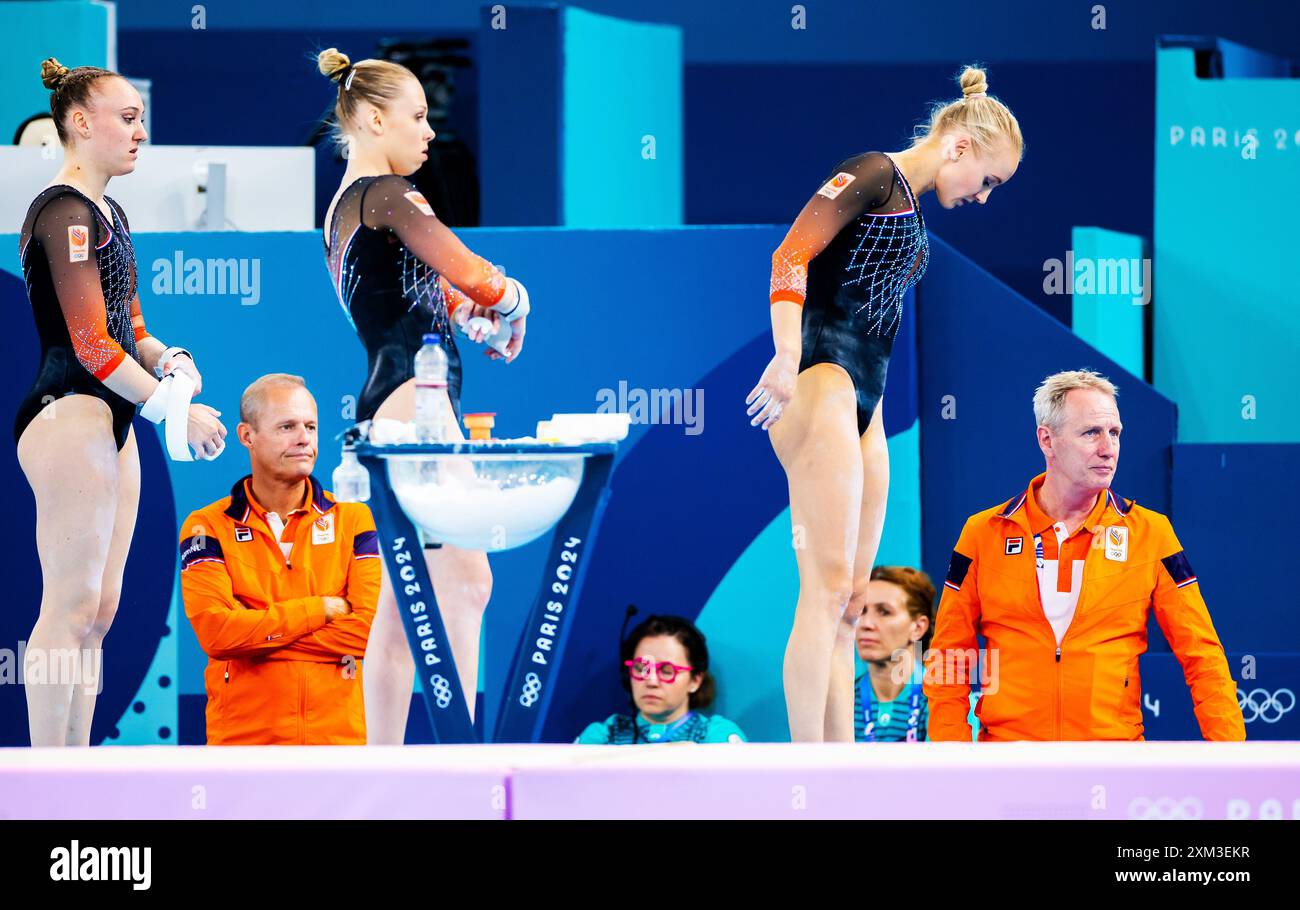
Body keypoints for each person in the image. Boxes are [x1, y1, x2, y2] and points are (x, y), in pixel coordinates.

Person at [747, 64, 1023, 742]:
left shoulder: (910, 202)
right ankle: (804, 774)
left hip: (862, 402)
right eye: (988, 181)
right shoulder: (873, 172)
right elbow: (790, 256)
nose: (984, 198)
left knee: (850, 603)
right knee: (824, 590)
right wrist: (785, 358)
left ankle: (839, 772)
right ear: (959, 146)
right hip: (821, 384)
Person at [316, 48, 531, 741]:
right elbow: (470, 269)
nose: (431, 132)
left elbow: (418, 293)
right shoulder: (388, 194)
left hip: (400, 402)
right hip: (414, 405)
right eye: (418, 116)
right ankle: (460, 758)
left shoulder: (349, 206)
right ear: (376, 119)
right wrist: (512, 300)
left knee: (408, 599)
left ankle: (386, 763)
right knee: (466, 584)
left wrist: (467, 315)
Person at [16, 58, 225, 747]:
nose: (142, 132)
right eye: (128, 119)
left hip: (113, 417)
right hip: (67, 409)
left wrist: (171, 360)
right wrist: (174, 407)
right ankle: (46, 779)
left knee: (100, 609)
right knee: (69, 603)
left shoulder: (111, 211)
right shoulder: (63, 210)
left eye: (142, 120)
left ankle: (76, 767)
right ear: (80, 123)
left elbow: (131, 334)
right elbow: (88, 344)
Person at [925, 369, 1246, 741]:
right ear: (1047, 440)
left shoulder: (1151, 533)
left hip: (1112, 761)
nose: (1108, 448)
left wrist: (1231, 756)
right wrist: (954, 759)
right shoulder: (983, 533)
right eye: (1091, 433)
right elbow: (949, 656)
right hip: (1010, 761)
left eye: (1115, 433)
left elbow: (1202, 654)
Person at [178, 375, 381, 745]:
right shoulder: (206, 527)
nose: (304, 438)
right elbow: (218, 634)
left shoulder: (354, 520)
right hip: (243, 750)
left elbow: (367, 633)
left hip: (338, 750)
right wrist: (321, 609)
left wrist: (255, 641)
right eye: (287, 426)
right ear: (247, 436)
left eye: (311, 426)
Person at [576, 615, 747, 744]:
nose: (651, 681)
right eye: (641, 668)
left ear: (695, 680)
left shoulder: (716, 735)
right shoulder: (603, 735)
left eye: (667, 671)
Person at [854, 566, 933, 743]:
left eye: (884, 611)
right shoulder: (839, 704)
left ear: (918, 628)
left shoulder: (944, 700)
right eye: (861, 611)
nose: (866, 624)